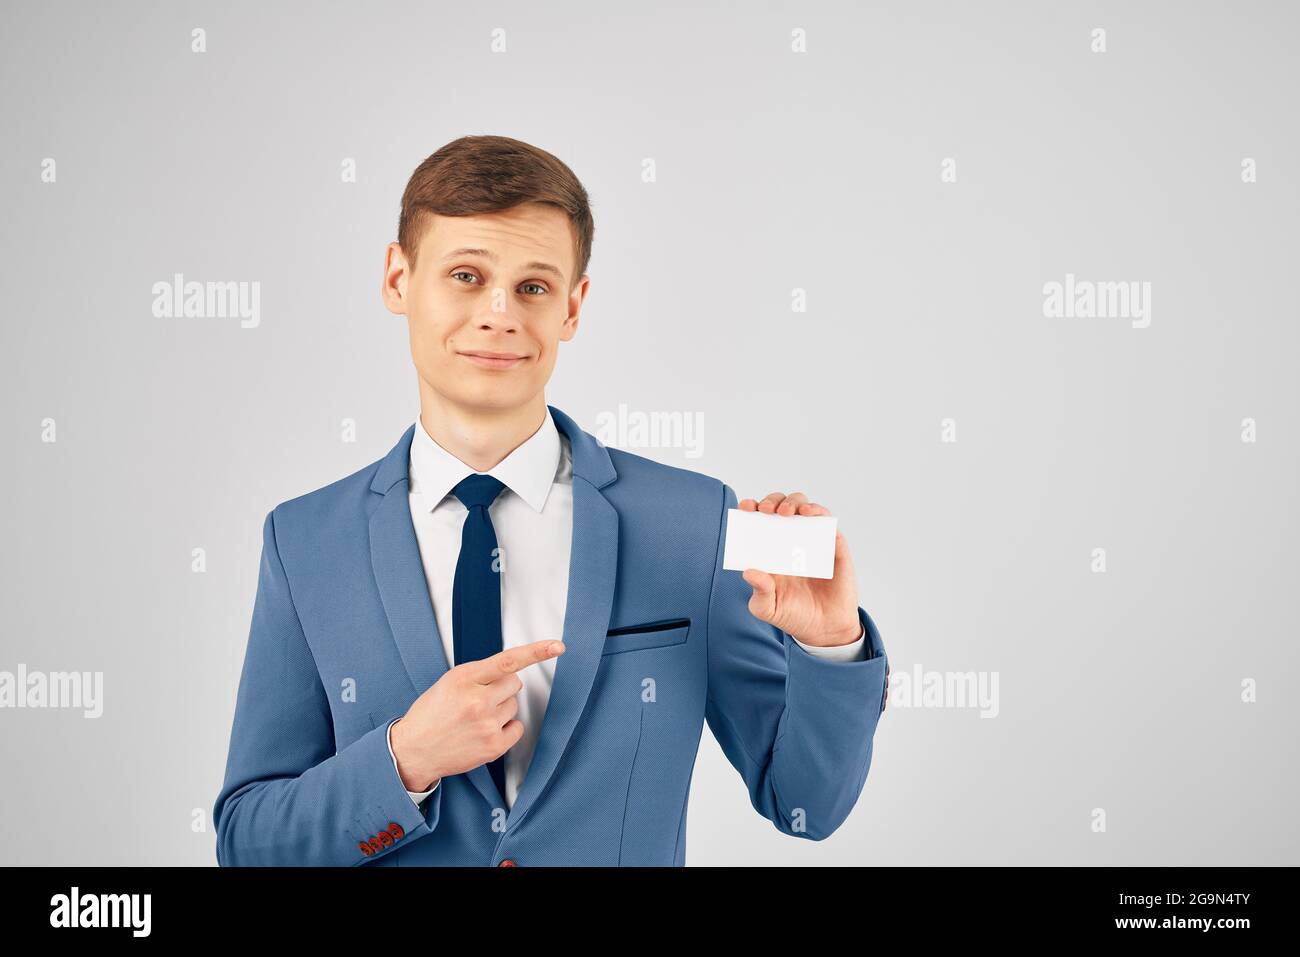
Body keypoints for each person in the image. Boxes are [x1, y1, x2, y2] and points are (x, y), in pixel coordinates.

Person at [212, 134, 889, 866]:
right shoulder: (306, 540)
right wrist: (402, 760)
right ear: (398, 280)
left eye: (533, 287)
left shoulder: (690, 524)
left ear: (572, 306)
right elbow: (249, 843)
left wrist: (829, 645)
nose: (499, 313)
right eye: (467, 275)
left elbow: (808, 806)